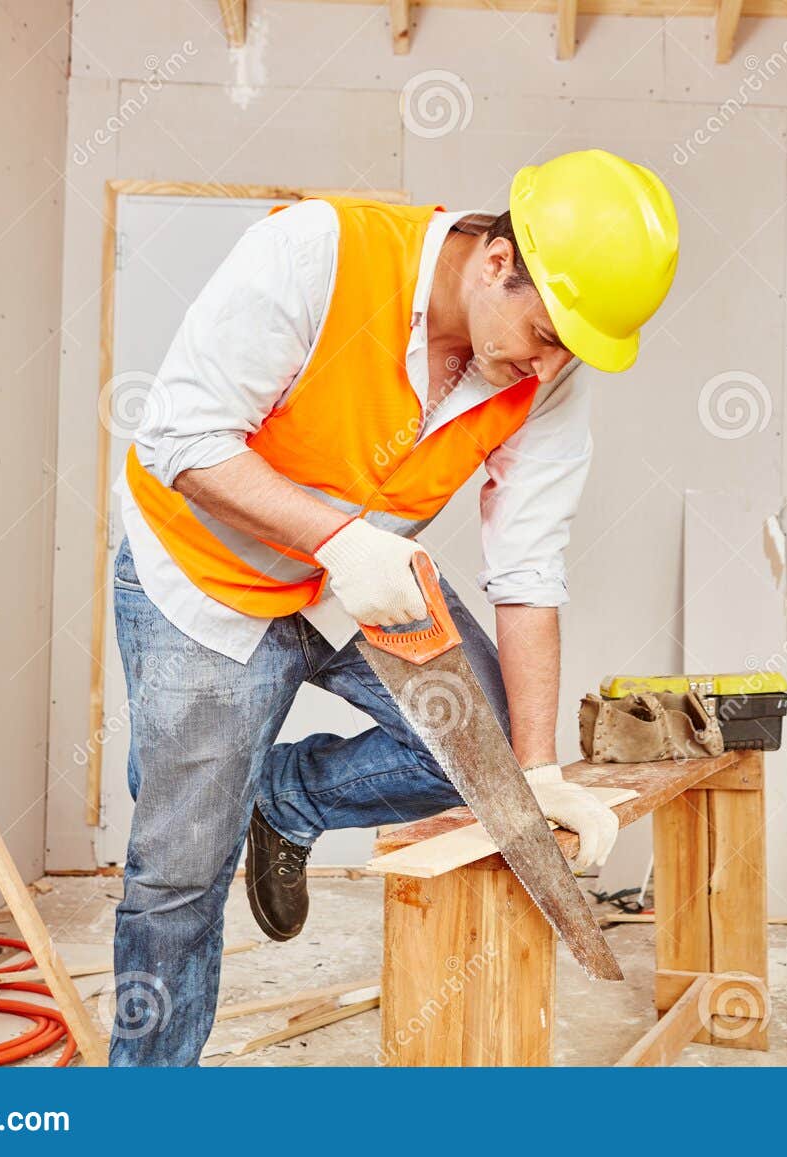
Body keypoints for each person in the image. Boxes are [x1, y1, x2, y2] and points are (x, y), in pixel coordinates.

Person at [106, 149, 680, 1064]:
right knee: (180, 869)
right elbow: (183, 439)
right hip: (202, 577)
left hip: (349, 583)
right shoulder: (316, 256)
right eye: (546, 331)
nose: (549, 361)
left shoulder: (546, 367)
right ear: (497, 263)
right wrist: (339, 539)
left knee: (480, 751)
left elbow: (529, 566)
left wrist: (532, 774)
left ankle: (285, 797)